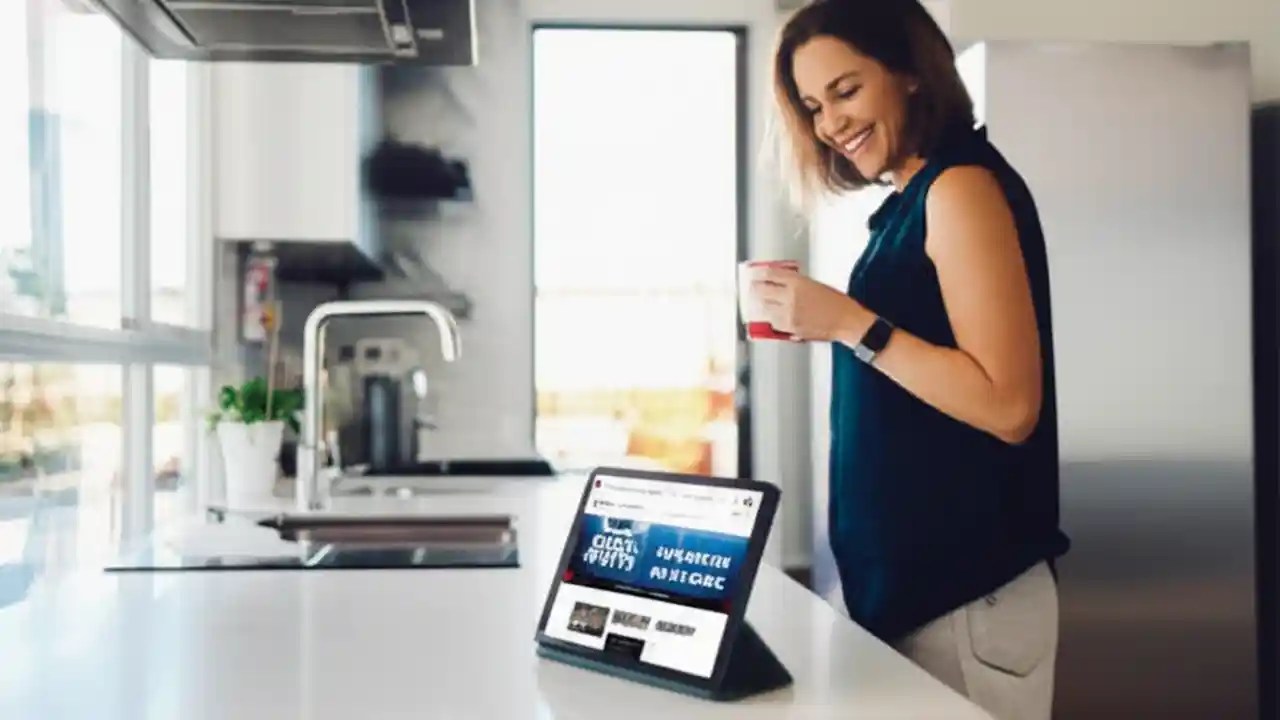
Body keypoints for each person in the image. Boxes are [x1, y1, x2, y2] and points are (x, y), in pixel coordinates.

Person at [758, 2, 1071, 718]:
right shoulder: (908, 201)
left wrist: (850, 323)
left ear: (909, 73)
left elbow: (1009, 406)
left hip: (965, 601)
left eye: (845, 90)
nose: (830, 124)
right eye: (813, 106)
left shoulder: (959, 188)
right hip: (915, 597)